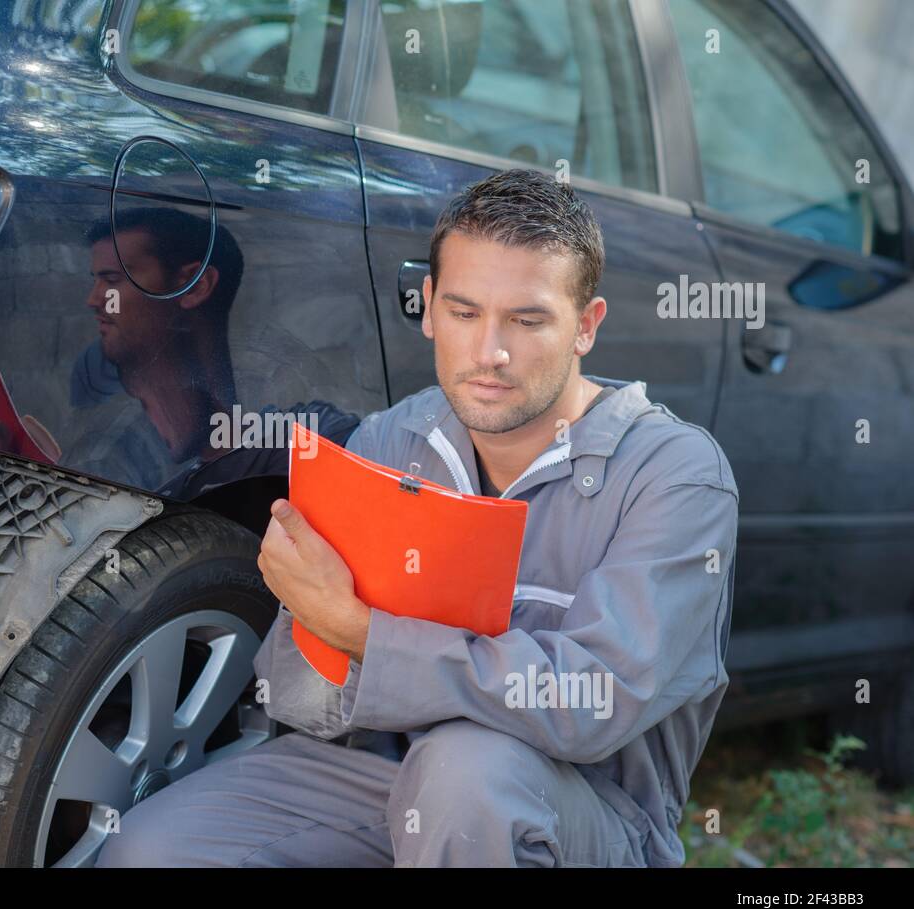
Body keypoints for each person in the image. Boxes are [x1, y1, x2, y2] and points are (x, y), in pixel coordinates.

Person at [95, 168, 739, 867]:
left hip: (584, 812)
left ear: (586, 325)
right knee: (151, 848)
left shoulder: (676, 475)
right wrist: (312, 616)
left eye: (526, 320)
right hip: (384, 777)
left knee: (466, 779)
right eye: (464, 313)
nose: (490, 352)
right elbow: (297, 697)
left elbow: (591, 704)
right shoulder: (389, 442)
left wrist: (363, 631)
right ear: (429, 306)